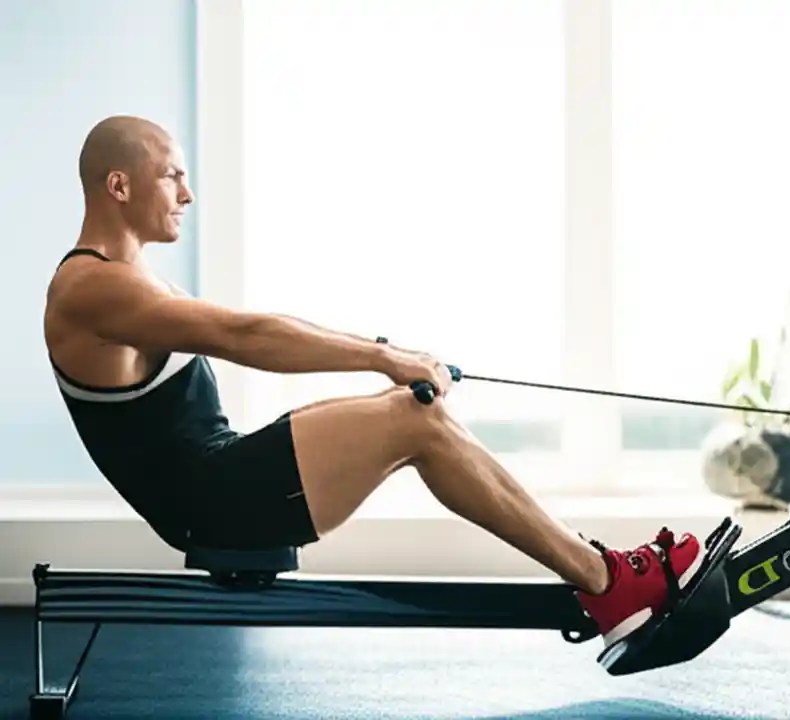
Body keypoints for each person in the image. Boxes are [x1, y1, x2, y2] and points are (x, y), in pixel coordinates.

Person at [42, 115, 708, 650]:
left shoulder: (120, 280)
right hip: (211, 501)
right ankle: (608, 581)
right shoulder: (92, 286)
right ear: (120, 186)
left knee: (408, 413)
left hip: (216, 481)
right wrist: (384, 356)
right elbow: (242, 335)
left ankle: (606, 574)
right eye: (172, 176)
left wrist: (391, 365)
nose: (186, 194)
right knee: (411, 418)